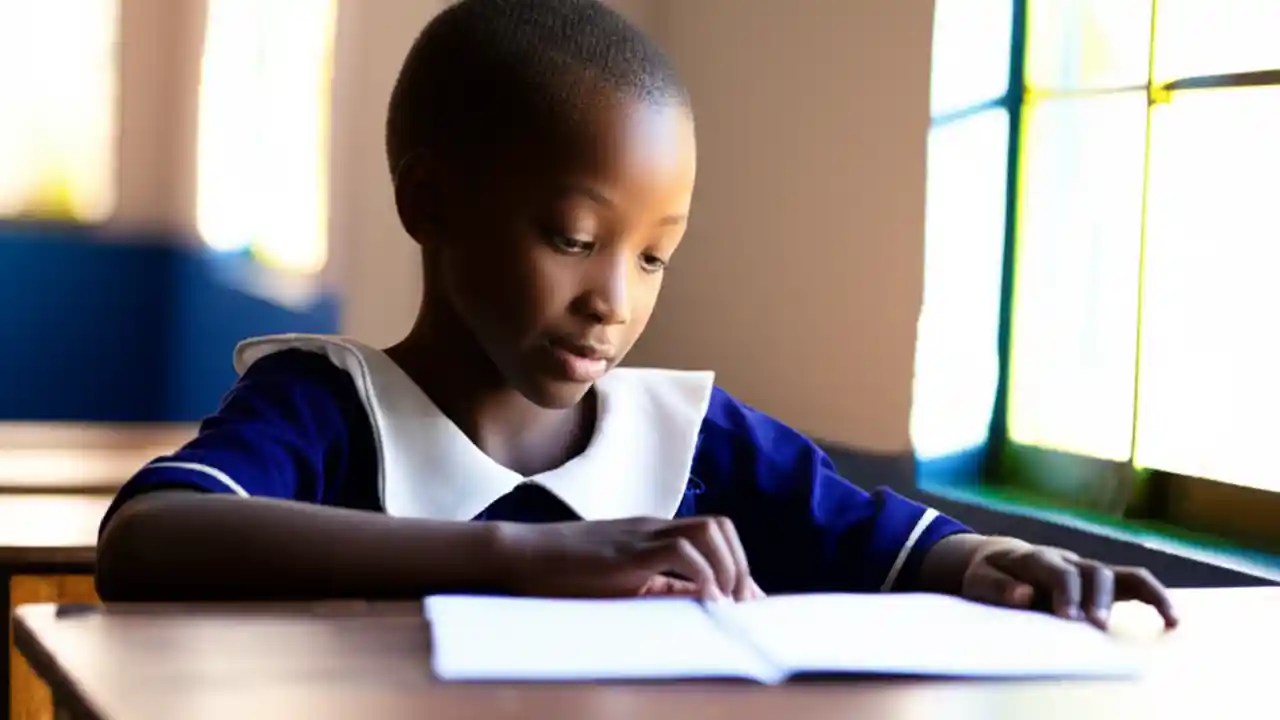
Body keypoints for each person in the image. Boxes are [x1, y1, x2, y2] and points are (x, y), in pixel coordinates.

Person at [96, 0, 1176, 629]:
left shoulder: (689, 439)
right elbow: (146, 540)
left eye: (655, 256)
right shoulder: (329, 408)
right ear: (428, 203)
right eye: (571, 238)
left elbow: (896, 546)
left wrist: (992, 563)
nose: (613, 300)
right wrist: (536, 560)